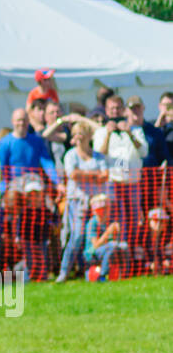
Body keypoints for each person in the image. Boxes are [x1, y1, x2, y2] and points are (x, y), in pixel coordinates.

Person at [56, 121, 109, 282]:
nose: (77, 137)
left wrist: (84, 174)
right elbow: (73, 175)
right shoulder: (71, 155)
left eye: (81, 133)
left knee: (91, 236)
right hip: (77, 201)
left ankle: (88, 271)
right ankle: (64, 271)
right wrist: (94, 175)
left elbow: (104, 175)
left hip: (95, 203)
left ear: (88, 136)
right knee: (77, 236)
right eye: (75, 133)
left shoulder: (98, 156)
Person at [94, 94, 147, 250]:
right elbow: (99, 154)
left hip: (132, 182)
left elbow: (144, 152)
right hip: (113, 182)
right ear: (107, 111)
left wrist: (129, 133)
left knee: (134, 218)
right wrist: (109, 134)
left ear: (123, 110)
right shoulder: (101, 132)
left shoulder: (136, 130)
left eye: (118, 108)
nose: (115, 111)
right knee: (118, 218)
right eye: (112, 108)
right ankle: (118, 252)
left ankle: (130, 252)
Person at [83, 194, 126, 281]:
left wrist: (118, 233)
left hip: (107, 249)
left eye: (107, 207)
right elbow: (95, 245)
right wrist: (108, 232)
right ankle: (102, 275)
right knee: (112, 246)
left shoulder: (110, 221)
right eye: (102, 209)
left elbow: (117, 241)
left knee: (124, 246)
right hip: (92, 254)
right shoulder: (92, 223)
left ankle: (126, 274)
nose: (105, 211)